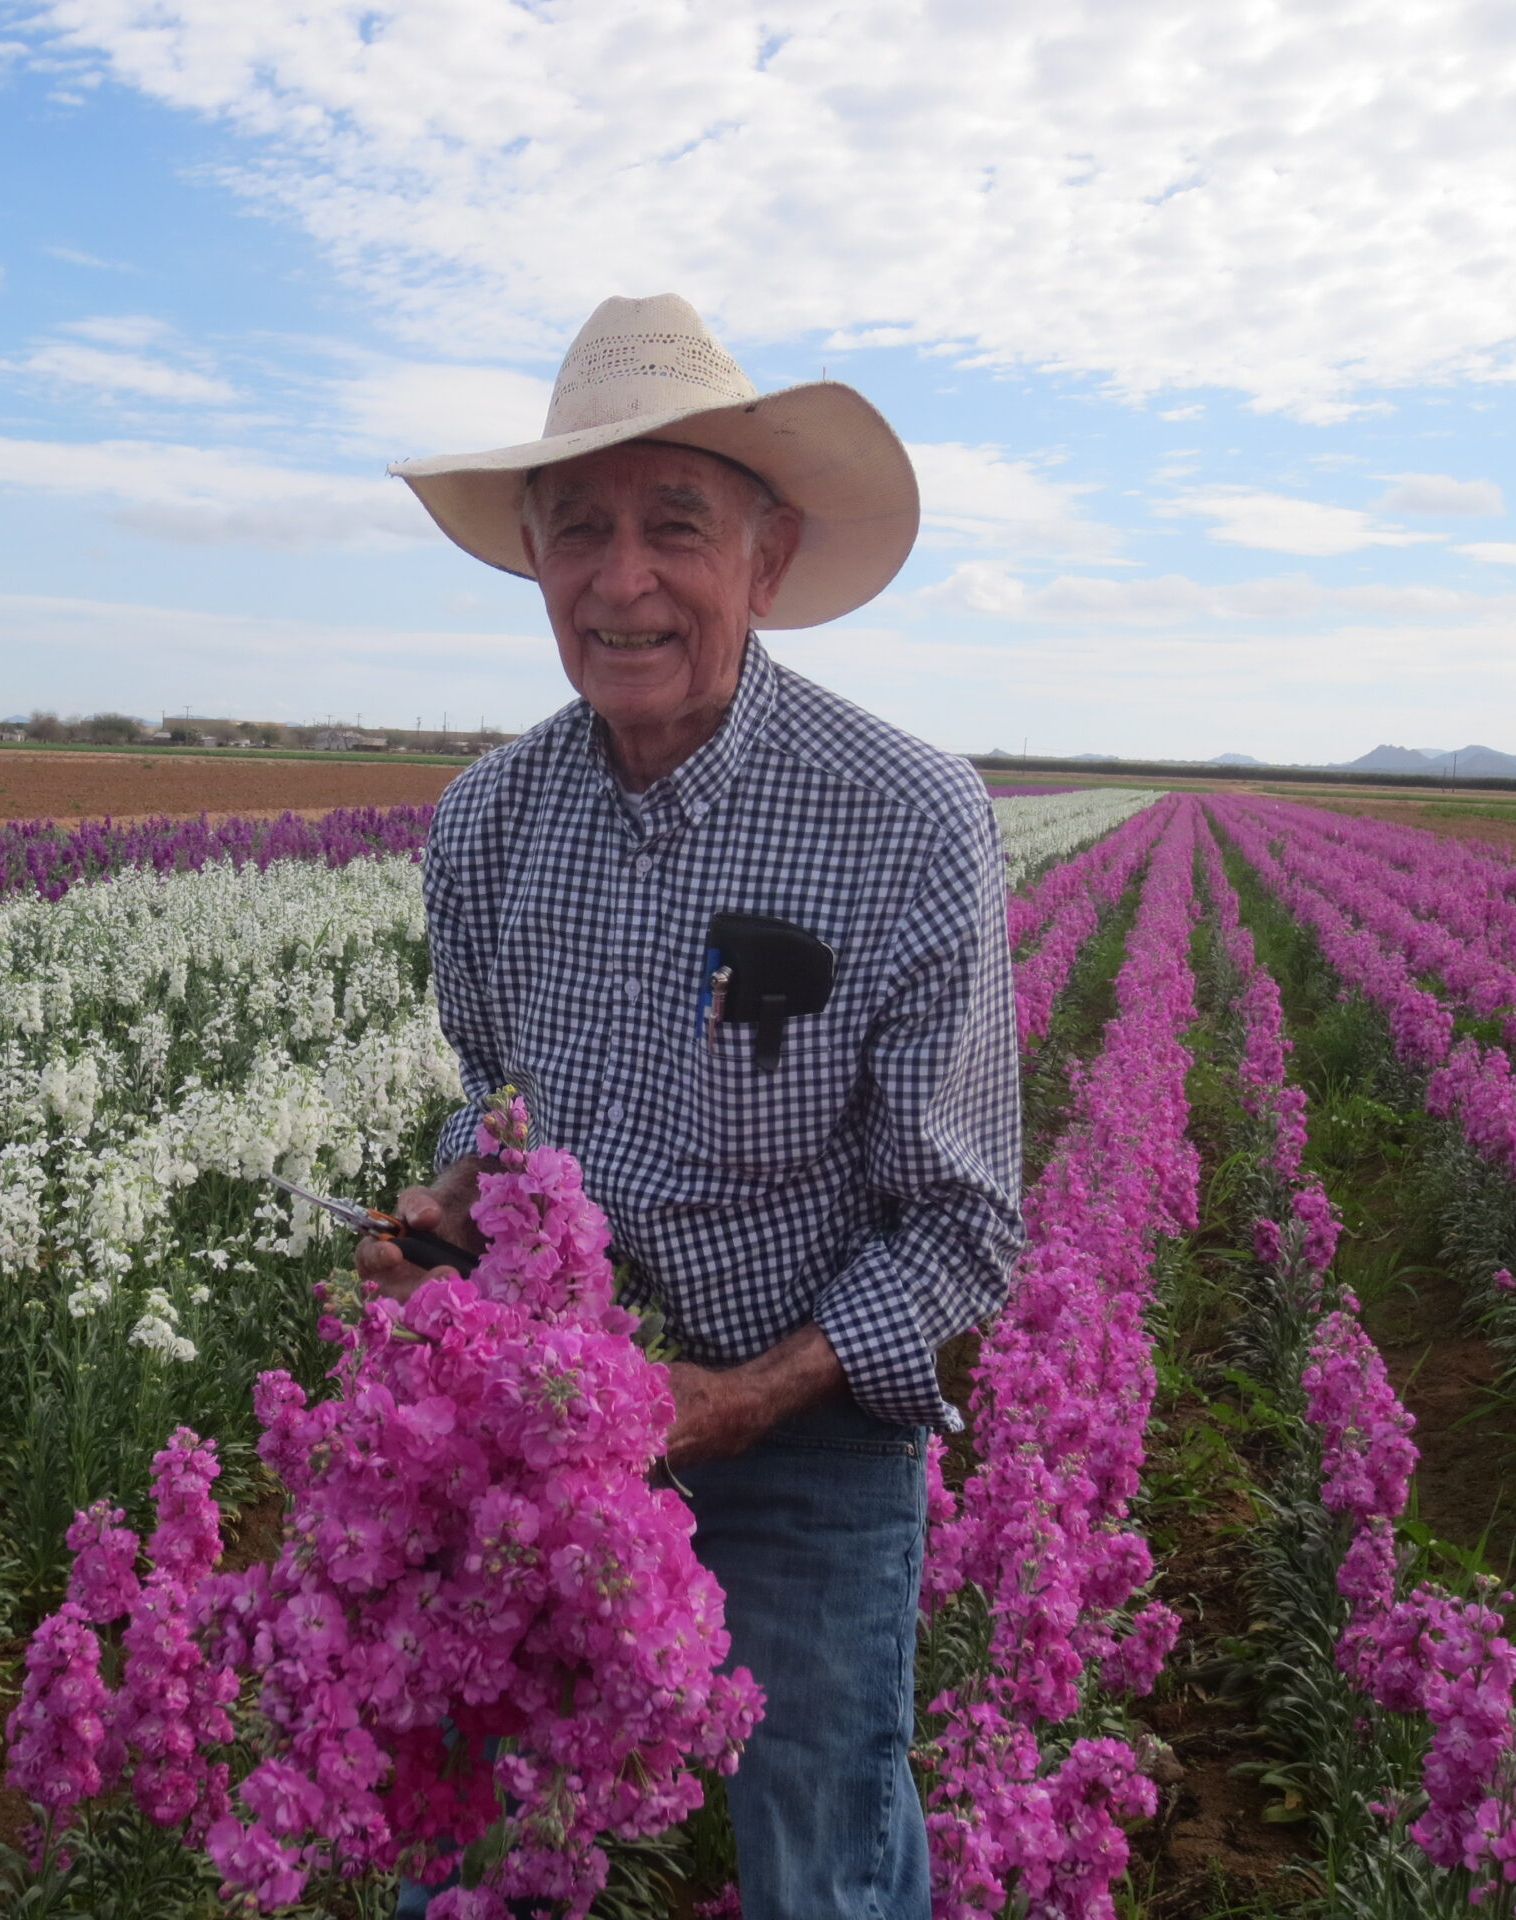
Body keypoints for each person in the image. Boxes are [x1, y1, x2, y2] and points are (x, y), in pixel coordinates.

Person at [361, 293, 1023, 1920]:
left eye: (675, 526)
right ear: (534, 561)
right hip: (542, 1429)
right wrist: (450, 1210)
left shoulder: (902, 820)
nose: (623, 579)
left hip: (804, 1438)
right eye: (579, 531)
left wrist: (735, 1397)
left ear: (768, 559)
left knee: (818, 1857)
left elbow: (961, 1230)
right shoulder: (487, 824)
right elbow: (497, 1116)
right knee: (469, 1840)